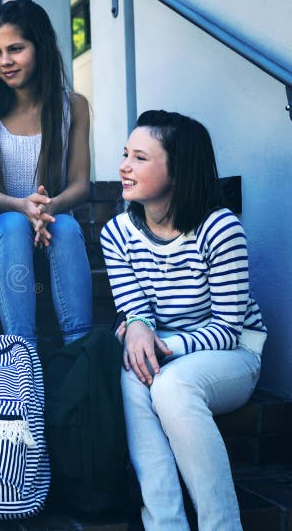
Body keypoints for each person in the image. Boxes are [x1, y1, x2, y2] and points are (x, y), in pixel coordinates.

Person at [101, 110, 266, 530]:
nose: (124, 166)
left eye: (140, 158)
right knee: (133, 373)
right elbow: (135, 309)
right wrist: (137, 328)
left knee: (170, 385)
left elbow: (228, 329)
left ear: (178, 170)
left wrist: (161, 346)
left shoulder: (220, 228)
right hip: (167, 349)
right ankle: (165, 523)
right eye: (125, 154)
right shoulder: (116, 234)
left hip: (232, 353)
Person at [0, 0, 93, 351]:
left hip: (49, 225)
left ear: (41, 46)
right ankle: (23, 352)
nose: (4, 61)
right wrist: (22, 206)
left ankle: (79, 351)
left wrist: (48, 208)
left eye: (15, 49)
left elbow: (80, 183)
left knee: (67, 226)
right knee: (13, 225)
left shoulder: (73, 107)